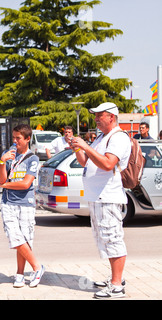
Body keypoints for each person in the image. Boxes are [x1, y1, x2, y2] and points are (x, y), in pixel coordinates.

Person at [70, 102, 131, 299]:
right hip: (98, 197)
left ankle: (117, 286)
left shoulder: (119, 138)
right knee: (104, 239)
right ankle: (115, 278)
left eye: (99, 115)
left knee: (113, 238)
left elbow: (107, 164)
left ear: (111, 117)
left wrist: (86, 145)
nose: (96, 118)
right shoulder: (102, 138)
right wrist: (77, 148)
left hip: (108, 196)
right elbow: (86, 162)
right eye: (95, 115)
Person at [0, 124, 44, 288]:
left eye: (18, 138)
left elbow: (25, 184)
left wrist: (5, 186)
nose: (15, 141)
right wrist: (3, 162)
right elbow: (1, 179)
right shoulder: (9, 155)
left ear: (28, 139)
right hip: (8, 203)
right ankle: (37, 267)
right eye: (13, 137)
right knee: (14, 237)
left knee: (24, 239)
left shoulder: (33, 158)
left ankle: (20, 274)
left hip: (26, 203)